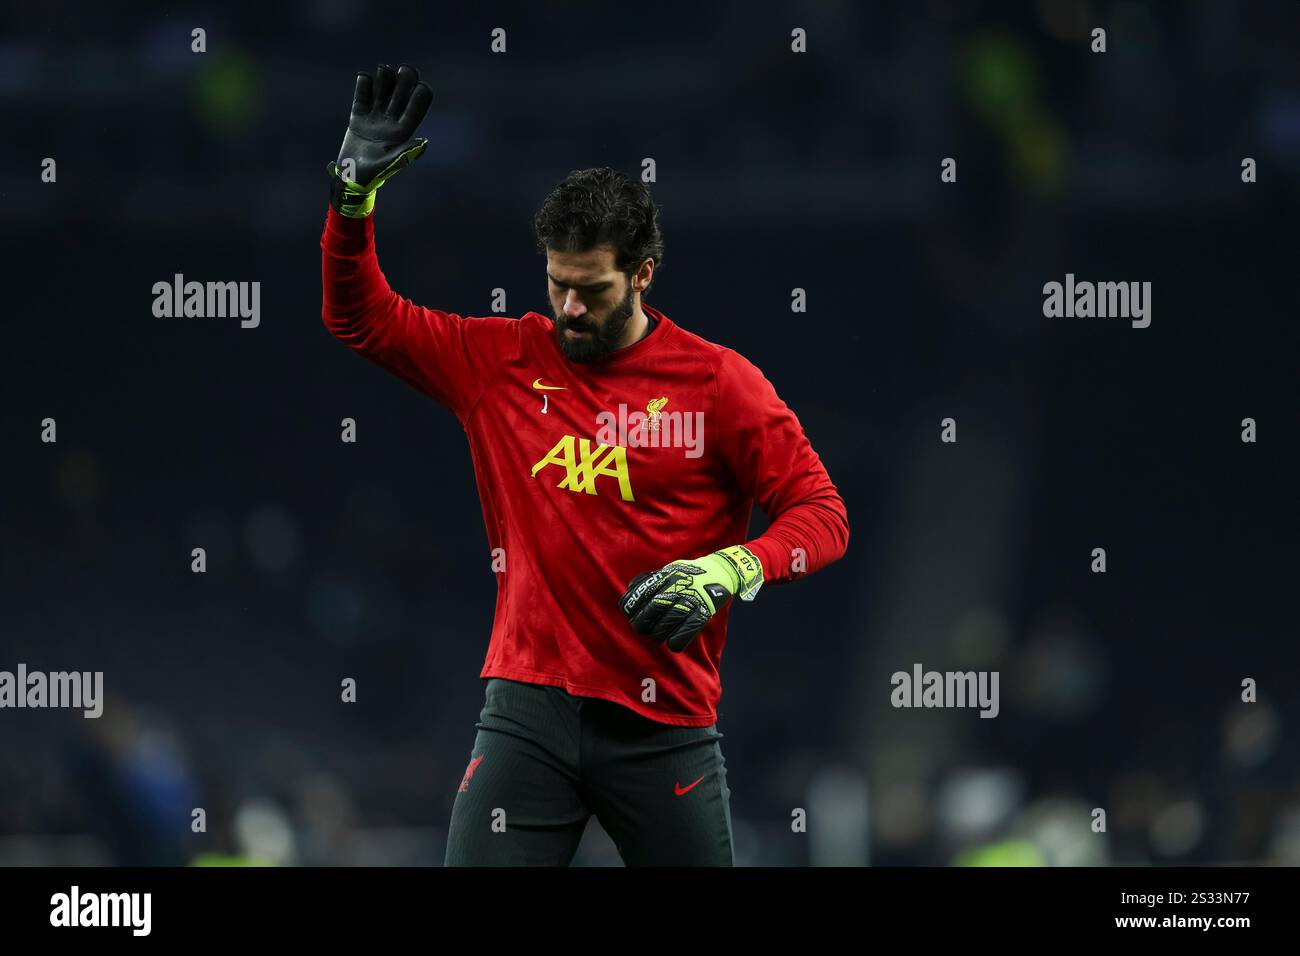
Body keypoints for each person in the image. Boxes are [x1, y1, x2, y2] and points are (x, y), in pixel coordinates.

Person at [320, 64, 849, 866]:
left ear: (641, 274)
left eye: (591, 290)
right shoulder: (501, 360)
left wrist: (732, 567)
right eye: (557, 284)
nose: (569, 309)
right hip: (527, 716)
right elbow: (359, 318)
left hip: (663, 730)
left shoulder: (718, 384)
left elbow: (822, 515)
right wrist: (351, 203)